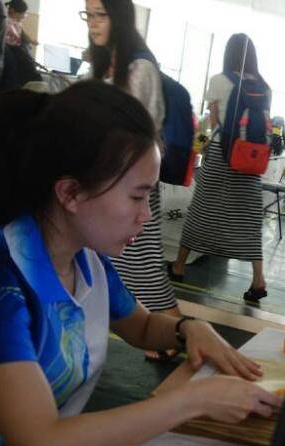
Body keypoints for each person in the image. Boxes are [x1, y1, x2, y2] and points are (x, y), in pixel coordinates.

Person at [0, 81, 281, 446]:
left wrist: (186, 329)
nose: (145, 216)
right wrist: (195, 399)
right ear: (71, 192)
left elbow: (140, 326)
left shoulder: (86, 258)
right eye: (137, 197)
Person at [85, 0, 182, 362]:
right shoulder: (105, 63)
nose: (93, 23)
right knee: (119, 264)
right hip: (110, 183)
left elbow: (141, 131)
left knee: (142, 265)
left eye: (100, 14)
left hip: (131, 185)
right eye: (88, 14)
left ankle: (181, 338)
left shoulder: (139, 67)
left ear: (119, 16)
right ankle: (175, 338)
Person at [171, 33, 271, 306]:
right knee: (249, 218)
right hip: (251, 160)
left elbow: (213, 124)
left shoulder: (219, 80)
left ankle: (178, 266)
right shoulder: (264, 86)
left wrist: (198, 146)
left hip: (221, 154)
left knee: (203, 208)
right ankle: (258, 280)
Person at [0, 0, 40, 93]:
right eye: (22, 14)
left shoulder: (18, 23)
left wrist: (32, 41)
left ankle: (34, 81)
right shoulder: (5, 20)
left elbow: (23, 35)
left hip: (15, 48)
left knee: (27, 60)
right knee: (13, 63)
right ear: (13, 11)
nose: (23, 16)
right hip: (6, 47)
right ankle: (12, 87)